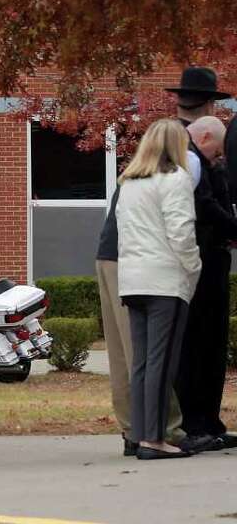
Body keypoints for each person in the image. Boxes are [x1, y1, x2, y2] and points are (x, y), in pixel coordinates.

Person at [114, 119, 201, 460]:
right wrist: (194, 268)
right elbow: (180, 232)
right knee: (162, 363)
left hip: (133, 279)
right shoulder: (176, 178)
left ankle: (139, 433)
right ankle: (154, 438)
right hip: (164, 279)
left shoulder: (129, 182)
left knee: (142, 363)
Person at [171, 68, 237, 453]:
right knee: (197, 343)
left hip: (208, 255)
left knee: (208, 343)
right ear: (210, 104)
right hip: (198, 257)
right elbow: (203, 205)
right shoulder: (184, 148)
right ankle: (196, 422)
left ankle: (207, 420)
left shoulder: (179, 142)